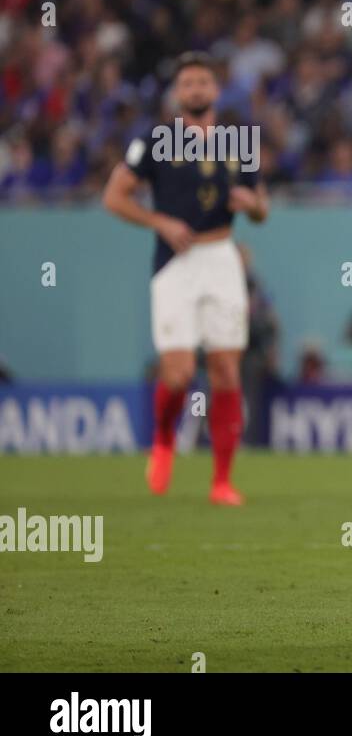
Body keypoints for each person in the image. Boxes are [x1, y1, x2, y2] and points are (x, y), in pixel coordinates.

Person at [102, 52, 269, 505]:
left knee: (226, 369)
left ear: (215, 91)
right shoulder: (156, 141)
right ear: (178, 93)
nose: (196, 89)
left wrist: (250, 205)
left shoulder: (238, 142)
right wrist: (161, 223)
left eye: (203, 82)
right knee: (177, 373)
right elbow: (115, 197)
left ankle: (222, 481)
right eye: (188, 83)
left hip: (221, 257)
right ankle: (162, 439)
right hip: (175, 262)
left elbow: (262, 208)